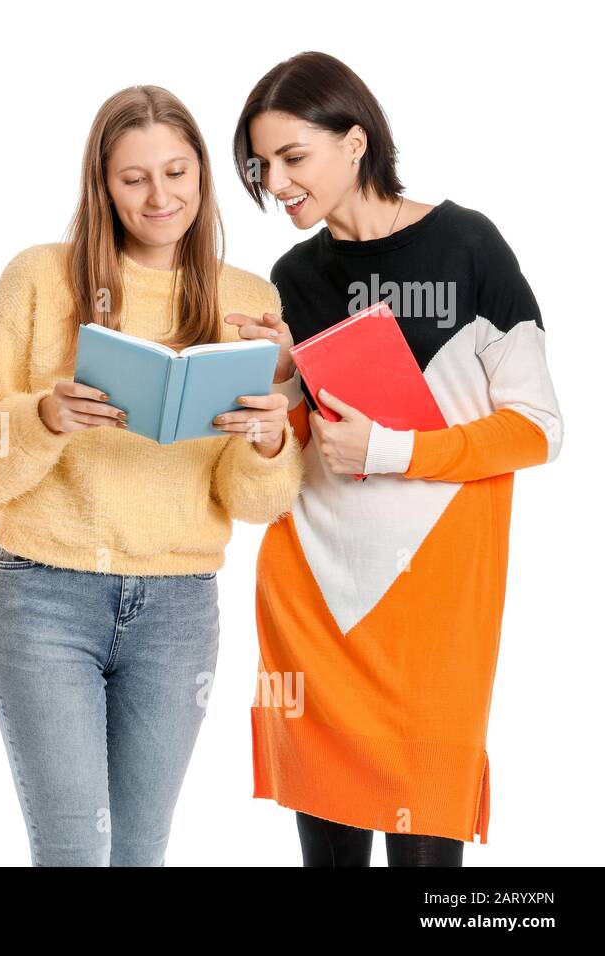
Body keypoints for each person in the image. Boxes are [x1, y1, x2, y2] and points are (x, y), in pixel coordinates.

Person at [0, 86, 302, 866]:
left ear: (204, 177)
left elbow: (255, 502)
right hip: (46, 596)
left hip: (178, 609)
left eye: (177, 172)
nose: (159, 196)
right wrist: (43, 416)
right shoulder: (39, 279)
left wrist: (273, 437)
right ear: (101, 184)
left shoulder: (247, 300)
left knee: (139, 853)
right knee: (74, 850)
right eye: (133, 177)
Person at [232, 51, 564, 865]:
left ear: (355, 142)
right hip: (312, 597)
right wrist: (283, 393)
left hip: (436, 606)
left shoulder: (467, 245)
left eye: (292, 157)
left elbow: (538, 429)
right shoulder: (291, 277)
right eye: (262, 164)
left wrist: (394, 449)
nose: (275, 183)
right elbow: (317, 426)